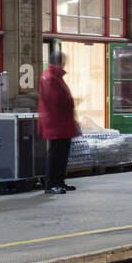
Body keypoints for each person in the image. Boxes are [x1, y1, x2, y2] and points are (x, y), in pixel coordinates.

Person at [38, 51, 78, 194]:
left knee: (62, 154)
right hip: (55, 123)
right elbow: (54, 101)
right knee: (55, 154)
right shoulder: (50, 78)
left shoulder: (55, 76)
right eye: (64, 62)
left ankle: (60, 182)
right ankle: (51, 184)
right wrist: (71, 103)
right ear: (59, 62)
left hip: (61, 123)